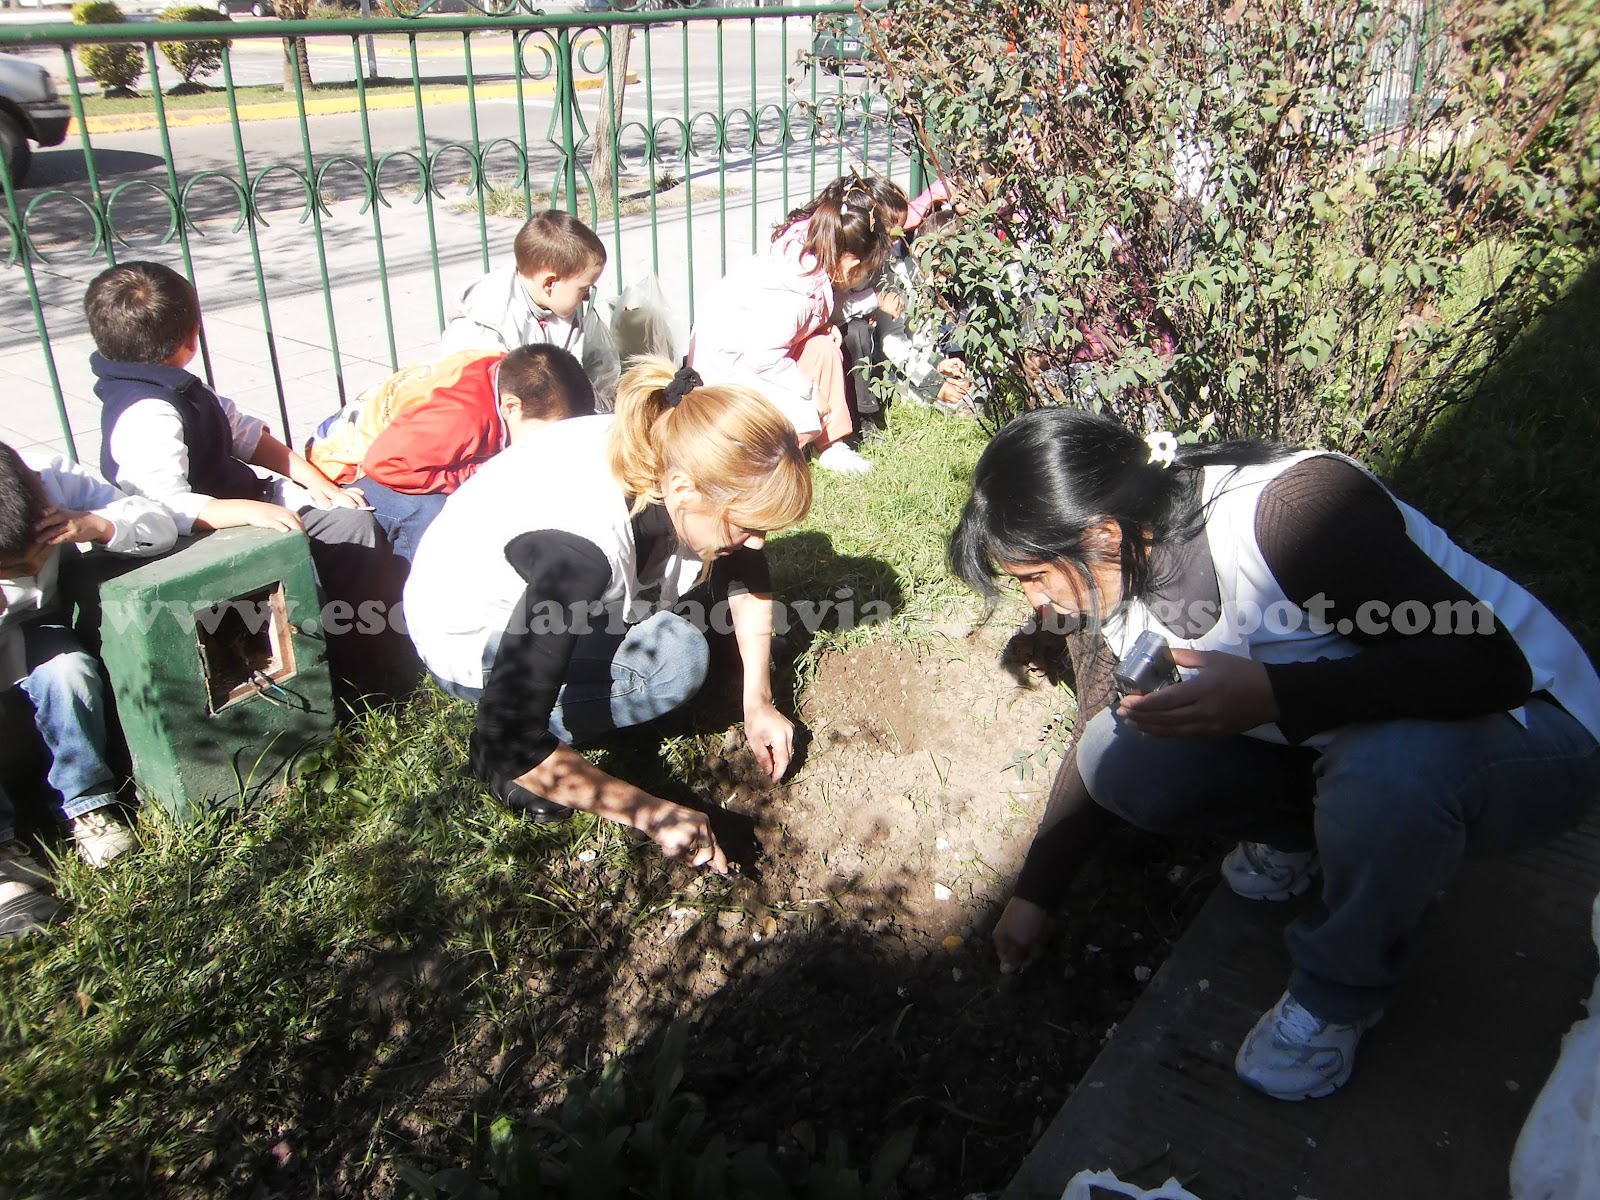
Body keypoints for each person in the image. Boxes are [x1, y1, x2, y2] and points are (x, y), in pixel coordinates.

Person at [949, 407, 1600, 1102]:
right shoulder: (1117, 567)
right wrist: (1036, 891)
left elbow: (1490, 665)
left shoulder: (1291, 516)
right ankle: (1315, 836)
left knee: (1391, 771)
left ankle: (1339, 992)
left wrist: (1278, 694)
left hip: (1533, 729)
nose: (1035, 602)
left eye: (1033, 576)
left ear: (1100, 534)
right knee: (1122, 753)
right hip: (1355, 729)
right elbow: (1096, 721)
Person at [402, 356, 813, 868]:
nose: (758, 541)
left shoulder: (667, 439)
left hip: (552, 584)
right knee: (674, 660)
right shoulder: (582, 551)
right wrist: (652, 814)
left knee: (711, 593)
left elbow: (746, 565)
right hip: (471, 632)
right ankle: (495, 764)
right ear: (682, 488)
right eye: (747, 524)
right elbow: (510, 736)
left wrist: (758, 700)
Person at [85, 261, 398, 690]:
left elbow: (244, 433)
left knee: (351, 517)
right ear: (192, 337)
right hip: (199, 537)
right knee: (345, 535)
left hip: (246, 506)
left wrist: (316, 481)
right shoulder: (147, 411)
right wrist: (251, 511)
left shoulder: (175, 384)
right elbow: (163, 504)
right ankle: (362, 675)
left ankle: (372, 657)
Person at [0, 441, 179, 933]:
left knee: (70, 672)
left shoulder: (50, 475)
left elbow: (154, 518)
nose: (32, 571)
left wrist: (98, 525)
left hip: (37, 628)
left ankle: (88, 806)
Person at [306, 344, 596, 566]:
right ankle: (412, 613)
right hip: (346, 472)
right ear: (511, 407)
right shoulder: (462, 417)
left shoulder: (513, 376)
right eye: (545, 435)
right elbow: (385, 465)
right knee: (428, 512)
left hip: (408, 450)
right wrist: (477, 472)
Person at [690, 176, 892, 475]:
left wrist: (820, 329)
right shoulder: (795, 293)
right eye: (866, 270)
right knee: (806, 416)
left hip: (748, 361)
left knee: (824, 346)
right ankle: (758, 460)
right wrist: (810, 391)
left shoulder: (806, 260)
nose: (864, 278)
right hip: (726, 379)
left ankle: (832, 444)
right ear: (850, 263)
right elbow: (762, 359)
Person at [441, 210, 607, 374]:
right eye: (584, 288)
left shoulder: (558, 305)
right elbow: (489, 391)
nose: (586, 298)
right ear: (549, 283)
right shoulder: (483, 327)